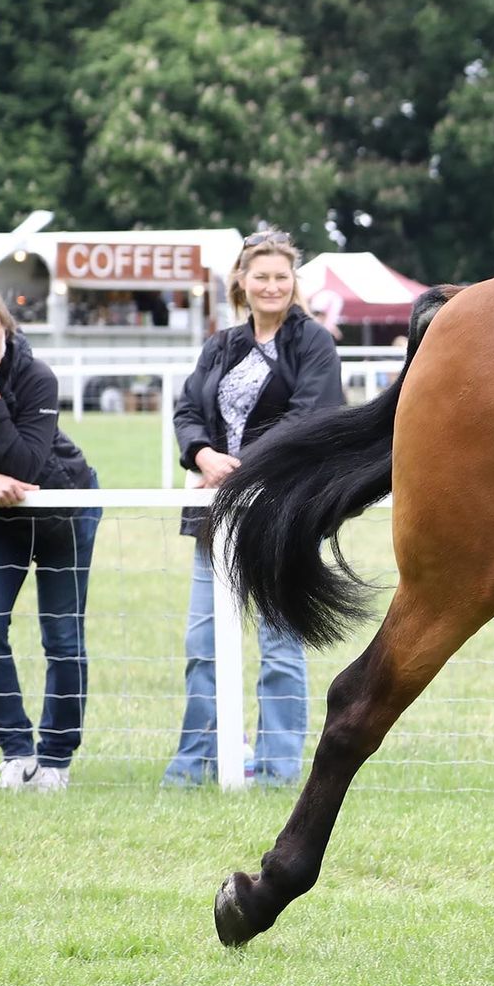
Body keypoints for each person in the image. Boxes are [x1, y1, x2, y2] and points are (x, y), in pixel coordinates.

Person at [164, 227, 342, 787]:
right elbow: (188, 410)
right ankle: (193, 765)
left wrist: (237, 469)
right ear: (241, 281)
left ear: (293, 282)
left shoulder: (313, 343)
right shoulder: (220, 345)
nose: (271, 286)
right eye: (260, 276)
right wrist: (201, 454)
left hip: (279, 512)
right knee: (203, 645)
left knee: (280, 644)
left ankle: (277, 769)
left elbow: (310, 418)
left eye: (281, 277)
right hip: (215, 515)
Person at [0, 282, 99, 791]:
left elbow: (26, 464)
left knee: (63, 637)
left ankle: (55, 759)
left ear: (7, 330)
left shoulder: (36, 377)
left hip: (62, 512)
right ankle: (16, 752)